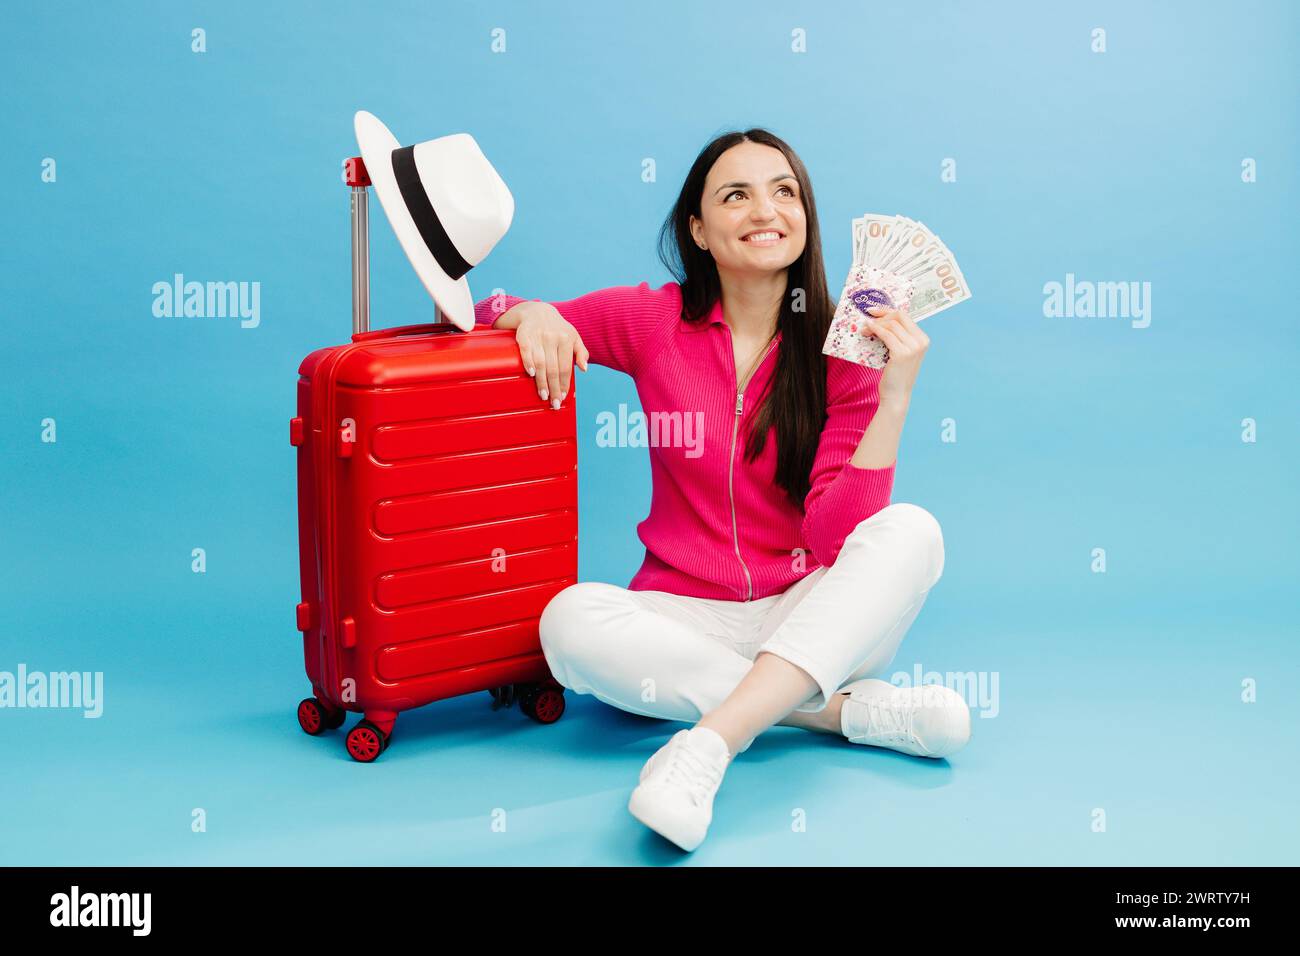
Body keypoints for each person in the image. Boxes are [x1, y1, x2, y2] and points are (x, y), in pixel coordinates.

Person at [472, 128, 970, 852]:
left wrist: (892, 399)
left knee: (913, 531)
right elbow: (483, 309)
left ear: (805, 218)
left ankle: (706, 748)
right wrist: (533, 312)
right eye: (736, 195)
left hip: (811, 611)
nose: (765, 210)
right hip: (684, 617)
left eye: (785, 192)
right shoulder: (653, 322)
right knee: (567, 621)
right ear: (699, 230)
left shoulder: (844, 348)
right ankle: (844, 716)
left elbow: (835, 539)